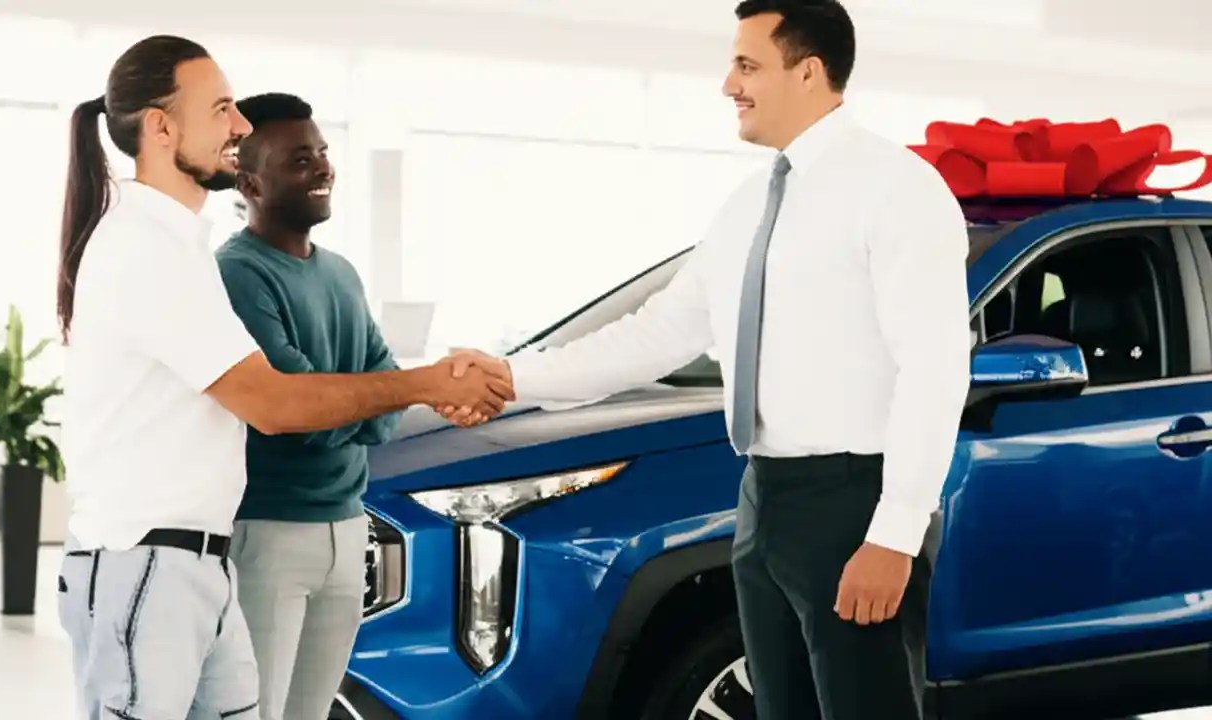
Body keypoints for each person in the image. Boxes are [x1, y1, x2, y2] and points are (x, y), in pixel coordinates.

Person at [441, 1, 971, 718]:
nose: (729, 85)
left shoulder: (898, 188)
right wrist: (515, 377)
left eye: (748, 65)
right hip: (763, 497)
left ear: (809, 72)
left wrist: (894, 534)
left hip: (856, 500)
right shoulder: (750, 203)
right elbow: (659, 333)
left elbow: (935, 369)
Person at [54, 36, 512, 720]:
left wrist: (418, 385)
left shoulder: (181, 245)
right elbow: (272, 401)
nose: (238, 125)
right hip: (144, 563)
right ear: (160, 126)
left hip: (199, 563)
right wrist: (428, 383)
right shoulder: (144, 246)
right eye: (220, 110)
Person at [212, 92, 391, 720]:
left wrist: (345, 404)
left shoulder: (341, 272)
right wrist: (355, 405)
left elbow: (384, 391)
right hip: (269, 534)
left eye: (321, 152)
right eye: (298, 159)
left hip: (348, 528)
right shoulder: (236, 273)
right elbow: (294, 414)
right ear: (249, 182)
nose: (321, 167)